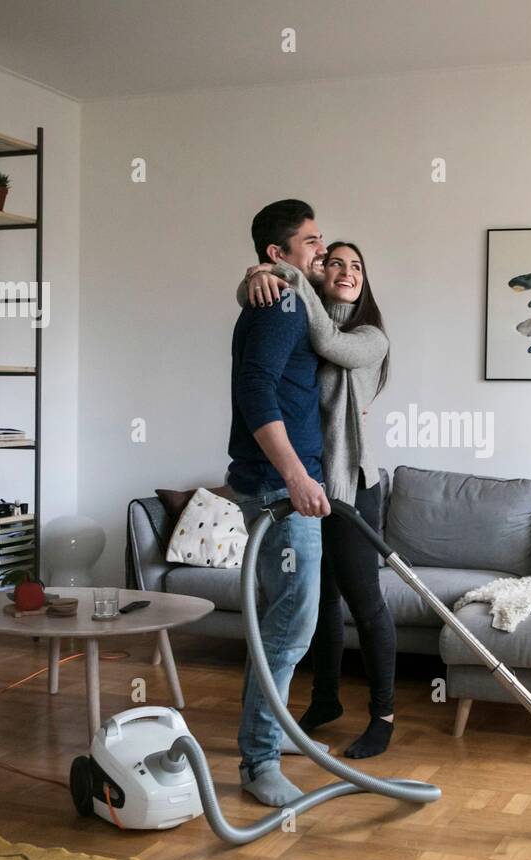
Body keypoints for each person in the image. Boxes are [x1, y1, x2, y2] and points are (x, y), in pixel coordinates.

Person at [241, 240, 396, 758]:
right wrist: (254, 280)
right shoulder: (299, 318)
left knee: (365, 603)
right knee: (320, 600)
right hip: (308, 482)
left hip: (351, 486)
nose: (346, 271)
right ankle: (324, 699)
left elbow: (331, 341)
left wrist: (281, 274)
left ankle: (384, 716)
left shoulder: (368, 336)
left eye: (357, 265)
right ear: (321, 271)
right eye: (335, 262)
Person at [226, 198, 331, 807]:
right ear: (278, 253)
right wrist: (294, 476)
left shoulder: (287, 298)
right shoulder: (283, 302)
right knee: (291, 625)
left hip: (279, 481)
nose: (321, 248)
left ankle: (267, 734)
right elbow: (255, 390)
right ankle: (260, 760)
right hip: (277, 487)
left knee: (281, 624)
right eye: (311, 241)